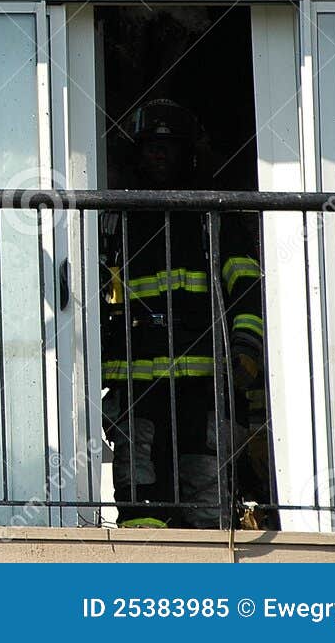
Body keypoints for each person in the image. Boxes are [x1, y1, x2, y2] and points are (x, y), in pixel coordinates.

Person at [100, 98, 266, 527]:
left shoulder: (212, 217)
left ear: (188, 154)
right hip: (135, 386)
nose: (158, 154)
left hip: (204, 385)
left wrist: (246, 347)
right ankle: (140, 580)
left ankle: (204, 584)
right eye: (150, 147)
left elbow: (247, 285)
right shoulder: (115, 220)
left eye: (169, 146)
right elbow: (95, 296)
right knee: (139, 501)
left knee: (205, 503)